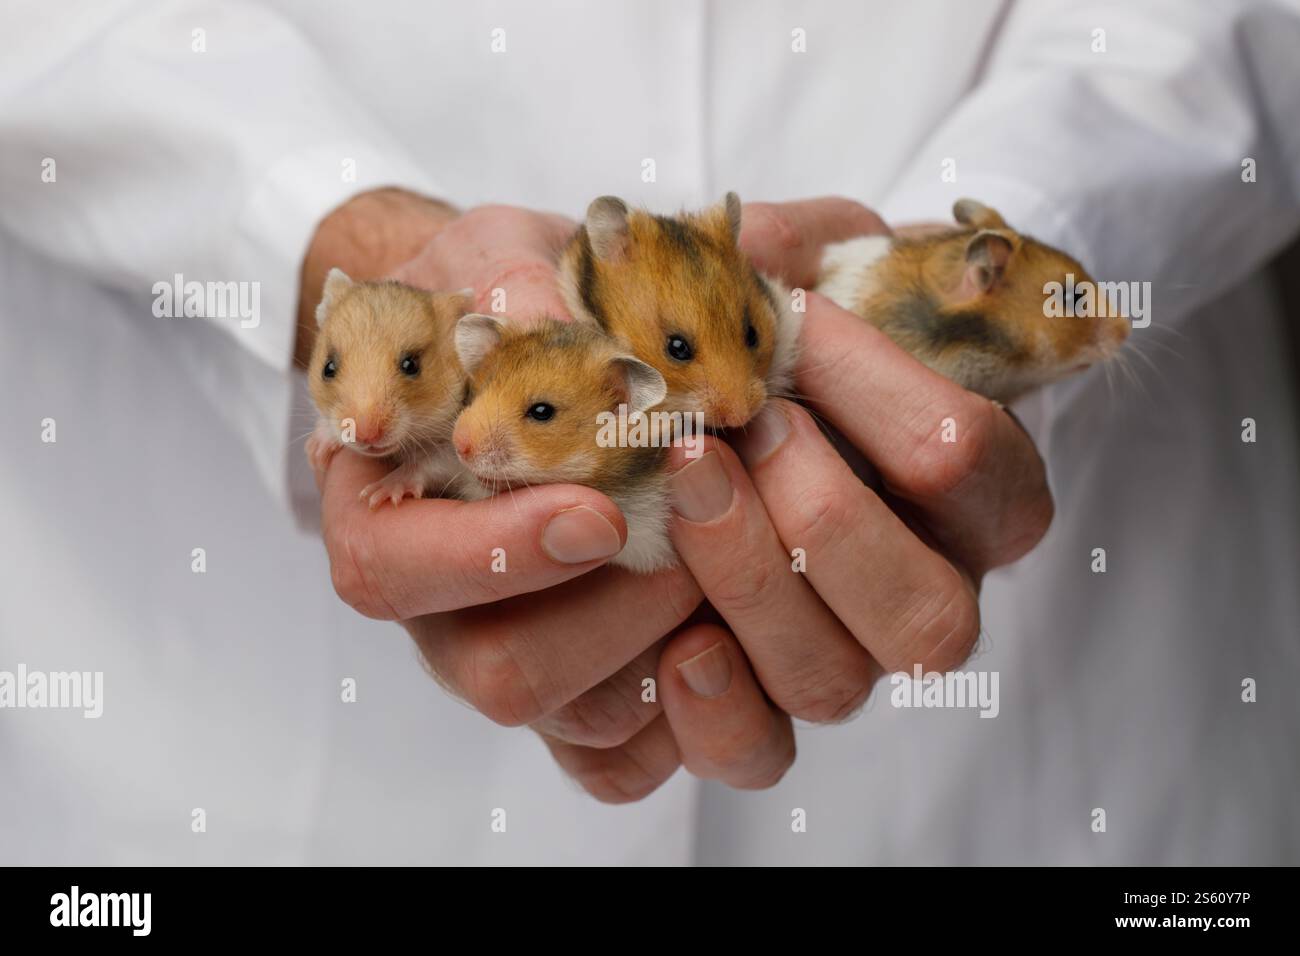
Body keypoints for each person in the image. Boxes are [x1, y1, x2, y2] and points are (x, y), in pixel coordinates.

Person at [1, 0, 1297, 865]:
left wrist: (989, 280)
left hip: (1069, 742)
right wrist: (304, 231)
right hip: (213, 752)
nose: (728, 414)